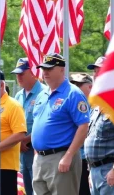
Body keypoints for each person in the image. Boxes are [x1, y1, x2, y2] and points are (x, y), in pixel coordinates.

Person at [32, 53, 90, 195]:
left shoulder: (73, 93)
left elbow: (83, 126)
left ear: (61, 69)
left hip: (61, 156)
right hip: (40, 158)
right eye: (43, 68)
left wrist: (69, 155)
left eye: (50, 69)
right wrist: (36, 153)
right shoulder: (41, 94)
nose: (45, 72)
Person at [84, 58, 114, 195]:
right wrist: (91, 170)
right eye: (95, 71)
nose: (95, 75)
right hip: (96, 171)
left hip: (112, 170)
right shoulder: (96, 106)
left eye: (100, 71)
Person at [11, 57, 46, 195]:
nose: (18, 77)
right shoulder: (18, 96)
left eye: (21, 73)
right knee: (26, 189)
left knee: (39, 189)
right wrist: (19, 141)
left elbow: (43, 123)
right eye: (17, 74)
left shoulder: (44, 93)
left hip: (37, 150)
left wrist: (25, 140)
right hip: (21, 152)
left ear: (32, 72)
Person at [70, 73, 93, 195]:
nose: (75, 87)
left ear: (90, 86)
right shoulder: (72, 103)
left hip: (89, 159)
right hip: (75, 156)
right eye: (73, 84)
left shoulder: (96, 106)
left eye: (78, 84)